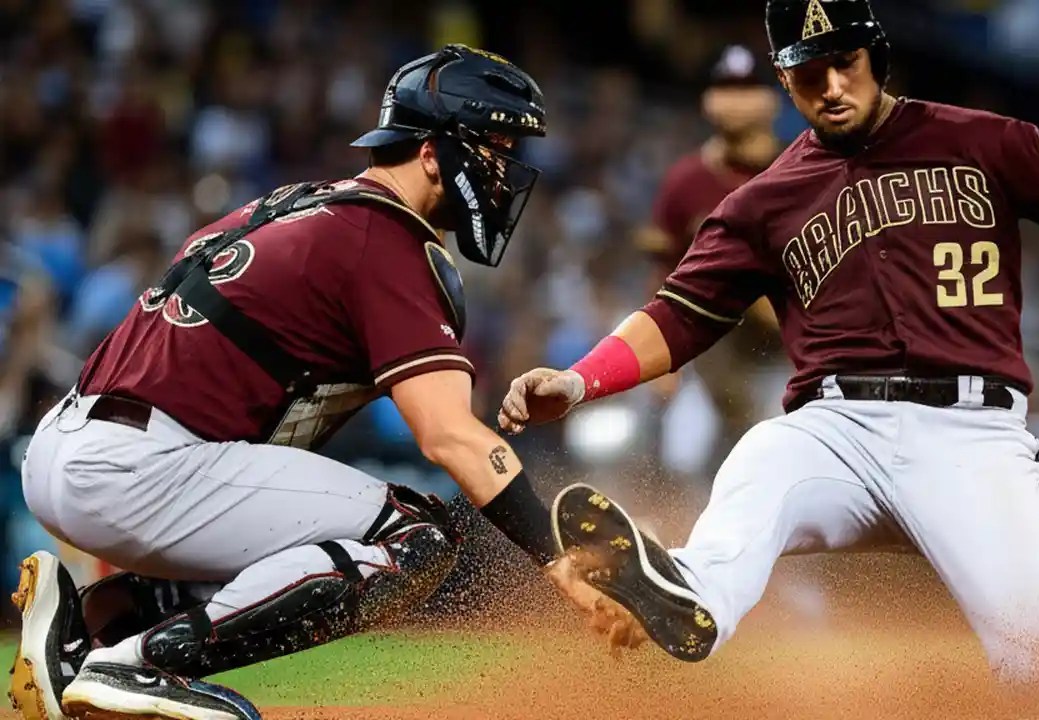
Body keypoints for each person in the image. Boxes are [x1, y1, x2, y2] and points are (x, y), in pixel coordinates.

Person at [498, 0, 1039, 710]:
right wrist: (579, 377)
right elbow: (679, 314)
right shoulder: (765, 200)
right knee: (765, 456)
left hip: (971, 435)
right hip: (838, 428)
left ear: (876, 55)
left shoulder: (982, 139)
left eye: (844, 61)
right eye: (806, 71)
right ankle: (688, 588)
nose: (829, 85)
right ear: (783, 78)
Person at [10, 45, 621, 720]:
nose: (504, 172)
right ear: (430, 153)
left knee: (305, 541)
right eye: (494, 149)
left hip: (78, 443)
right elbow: (449, 437)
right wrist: (559, 558)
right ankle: (145, 665)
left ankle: (85, 631)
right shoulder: (385, 238)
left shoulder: (300, 204)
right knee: (413, 537)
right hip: (141, 465)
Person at [637, 44, 783, 471]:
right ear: (706, 101)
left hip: (784, 358)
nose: (733, 100)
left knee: (777, 465)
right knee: (682, 460)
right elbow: (662, 272)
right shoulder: (686, 181)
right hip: (711, 358)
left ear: (774, 98)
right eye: (723, 88)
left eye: (747, 88)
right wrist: (659, 360)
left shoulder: (801, 169)